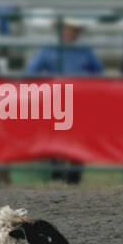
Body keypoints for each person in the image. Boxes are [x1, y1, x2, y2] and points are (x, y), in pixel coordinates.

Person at [25, 19, 103, 184]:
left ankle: (73, 178)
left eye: (72, 29)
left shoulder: (84, 51)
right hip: (56, 100)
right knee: (56, 139)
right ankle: (57, 176)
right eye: (66, 29)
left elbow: (99, 73)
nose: (69, 32)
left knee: (78, 139)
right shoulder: (49, 49)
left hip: (79, 100)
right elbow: (31, 72)